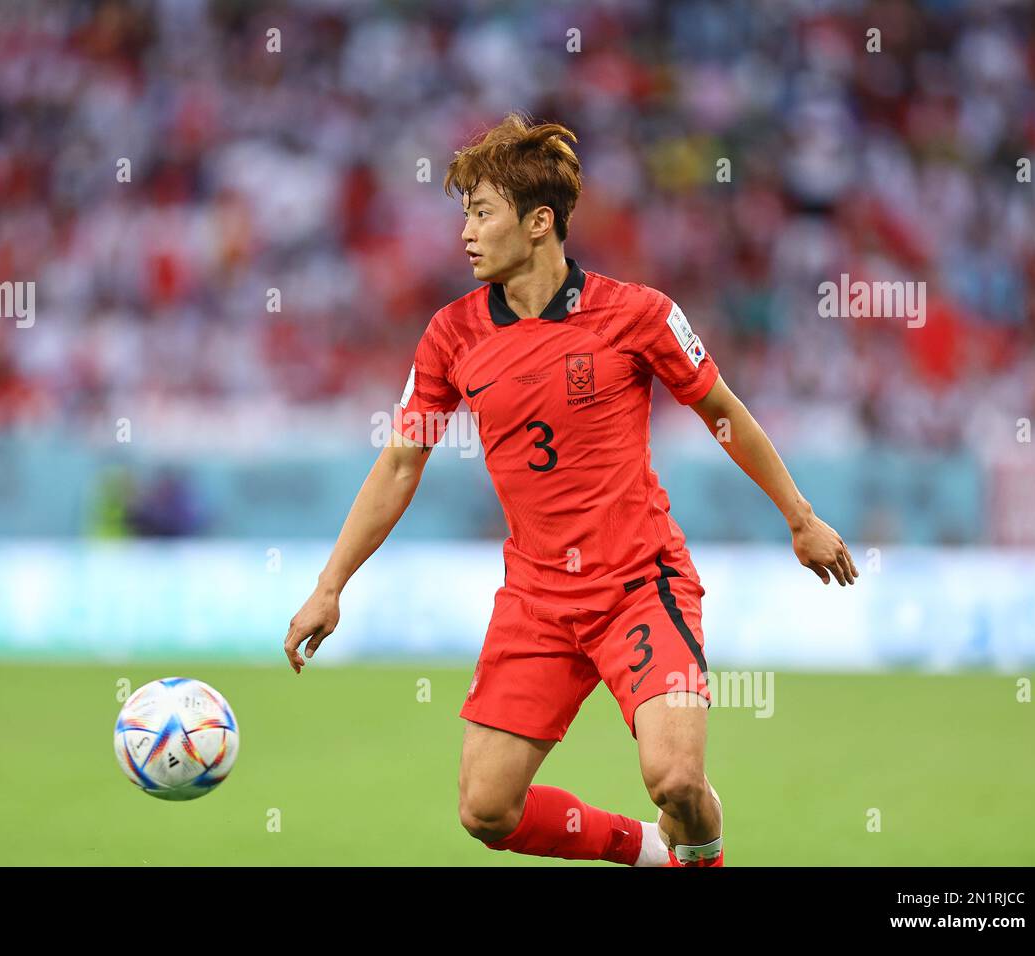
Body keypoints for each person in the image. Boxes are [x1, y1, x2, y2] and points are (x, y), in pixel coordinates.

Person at [284, 113, 857, 867]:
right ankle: (647, 853)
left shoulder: (637, 315)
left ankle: (694, 850)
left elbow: (724, 413)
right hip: (536, 602)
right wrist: (331, 585)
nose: (466, 232)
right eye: (464, 214)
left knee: (678, 781)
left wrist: (800, 516)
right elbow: (399, 464)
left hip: (639, 586)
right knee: (486, 810)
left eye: (482, 213)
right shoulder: (451, 337)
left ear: (539, 222)